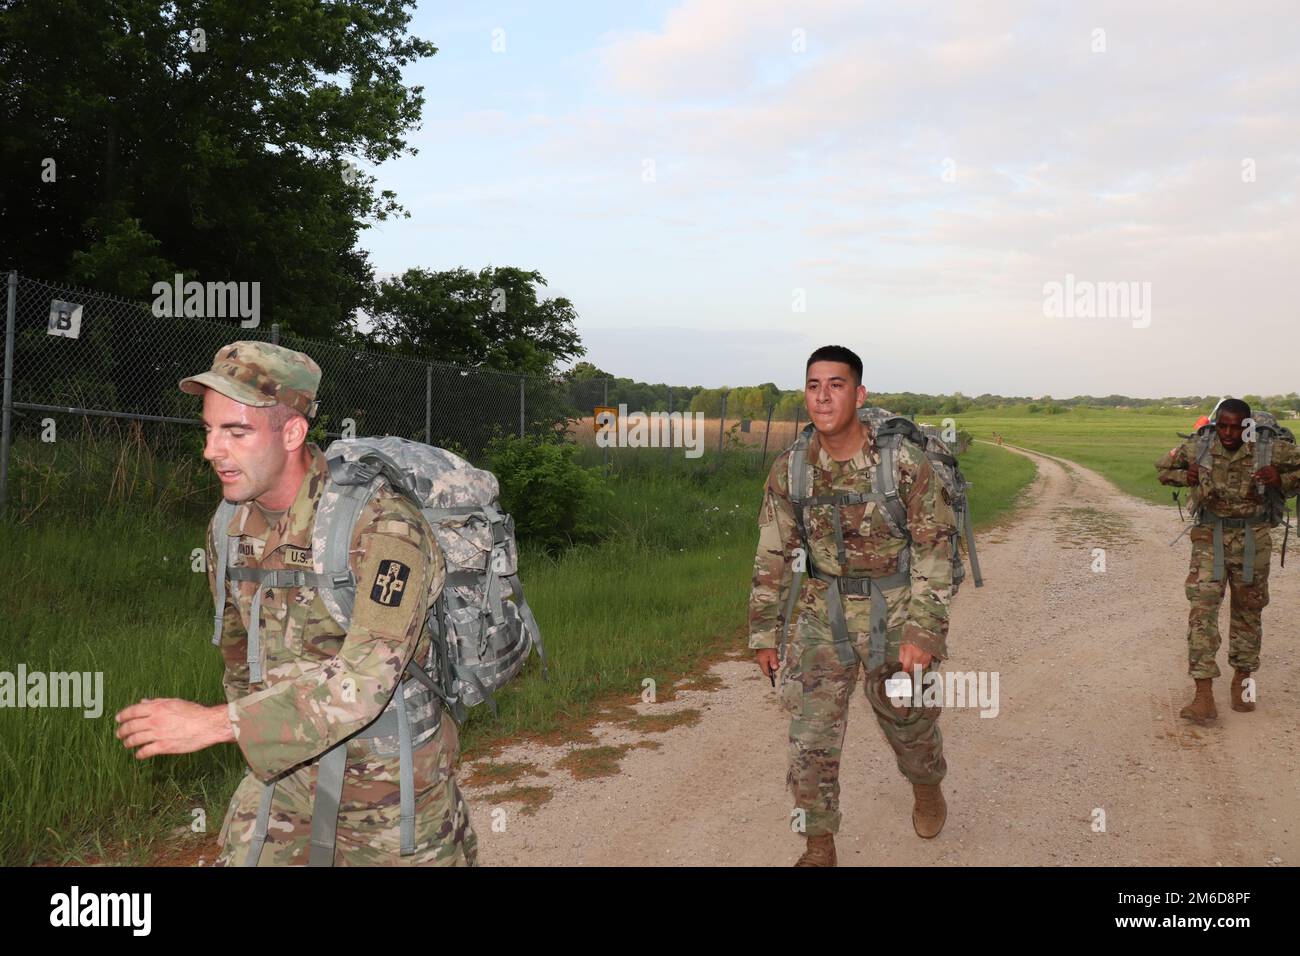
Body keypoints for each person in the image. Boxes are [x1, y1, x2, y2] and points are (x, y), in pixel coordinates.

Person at [114, 340, 477, 865]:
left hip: (389, 790)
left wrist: (219, 724)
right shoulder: (228, 525)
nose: (212, 451)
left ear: (292, 432)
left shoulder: (384, 528)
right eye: (209, 430)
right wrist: (248, 733)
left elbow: (368, 677)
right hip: (283, 774)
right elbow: (238, 652)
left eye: (236, 432)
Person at [749, 345, 958, 866]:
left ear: (859, 394)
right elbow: (773, 552)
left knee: (908, 721)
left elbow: (934, 547)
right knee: (809, 736)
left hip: (896, 608)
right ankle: (819, 847)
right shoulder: (792, 468)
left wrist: (924, 631)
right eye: (814, 385)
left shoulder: (901, 465)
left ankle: (926, 785)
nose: (823, 396)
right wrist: (764, 632)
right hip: (823, 611)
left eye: (836, 384)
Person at [1156, 398, 1300, 721]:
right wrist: (1187, 476)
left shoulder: (1269, 449)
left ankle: (1243, 683)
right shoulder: (1201, 446)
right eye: (1223, 425)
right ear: (1216, 424)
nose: (1229, 432)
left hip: (1253, 539)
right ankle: (1203, 695)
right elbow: (1162, 469)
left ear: (1248, 425)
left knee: (1248, 612)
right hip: (1210, 536)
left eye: (1237, 426)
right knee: (1202, 611)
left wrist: (1281, 480)